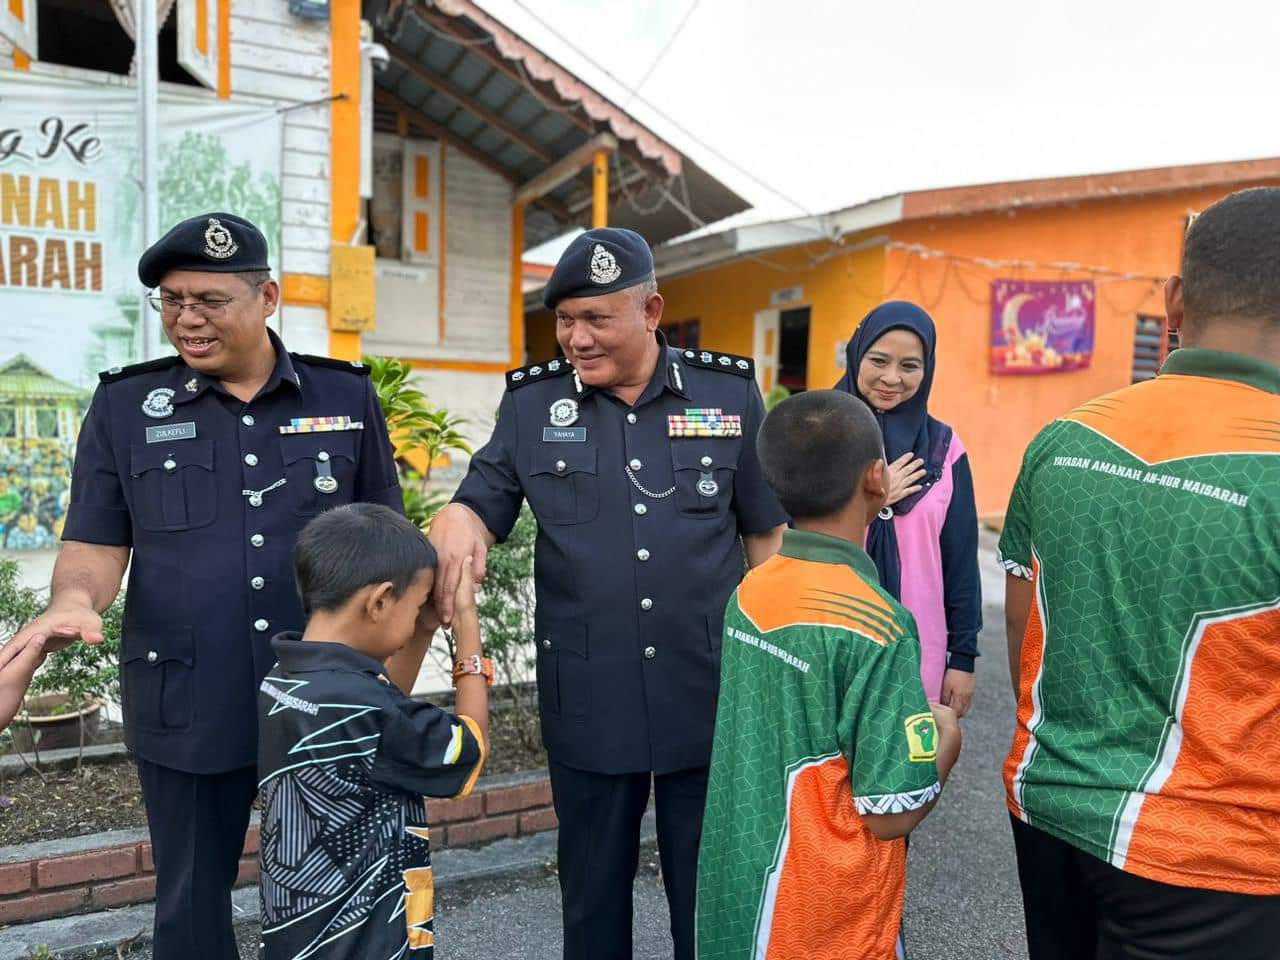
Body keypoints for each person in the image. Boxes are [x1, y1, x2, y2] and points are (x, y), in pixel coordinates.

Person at [7, 212, 415, 960]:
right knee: (192, 904)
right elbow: (93, 546)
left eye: (208, 301)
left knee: (346, 895)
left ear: (267, 296)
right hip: (188, 693)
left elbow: (389, 557)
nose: (186, 319)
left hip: (324, 699)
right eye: (170, 300)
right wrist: (70, 602)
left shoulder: (344, 397)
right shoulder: (128, 407)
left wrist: (391, 686)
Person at [428, 227, 788, 960]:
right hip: (590, 694)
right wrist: (457, 517)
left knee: (711, 892)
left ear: (651, 310)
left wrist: (773, 668)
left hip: (708, 689)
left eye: (597, 318)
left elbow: (766, 539)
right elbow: (483, 496)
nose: (575, 338)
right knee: (591, 897)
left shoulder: (727, 393)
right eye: (565, 319)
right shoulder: (533, 406)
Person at [1000, 186, 1280, 959]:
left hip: (1049, 810)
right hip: (1219, 860)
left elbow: (1024, 632)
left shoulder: (1062, 440)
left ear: (1176, 301)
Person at [696, 389, 961, 960]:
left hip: (743, 888)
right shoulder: (877, 624)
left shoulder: (751, 590)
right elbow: (893, 812)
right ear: (875, 478)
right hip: (825, 910)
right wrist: (948, 738)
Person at [258, 503, 489, 960]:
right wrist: (466, 628)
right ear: (380, 601)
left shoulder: (283, 680)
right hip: (369, 940)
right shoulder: (367, 709)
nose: (419, 615)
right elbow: (468, 750)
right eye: (417, 605)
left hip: (298, 935)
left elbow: (379, 714)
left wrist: (417, 630)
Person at [836, 302, 982, 714]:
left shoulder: (945, 449)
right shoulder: (817, 430)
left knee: (910, 771)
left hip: (921, 654)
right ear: (857, 354)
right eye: (879, 360)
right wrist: (873, 501)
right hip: (829, 641)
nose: (892, 378)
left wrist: (963, 659)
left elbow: (960, 562)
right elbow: (791, 535)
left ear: (928, 368)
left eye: (910, 365)